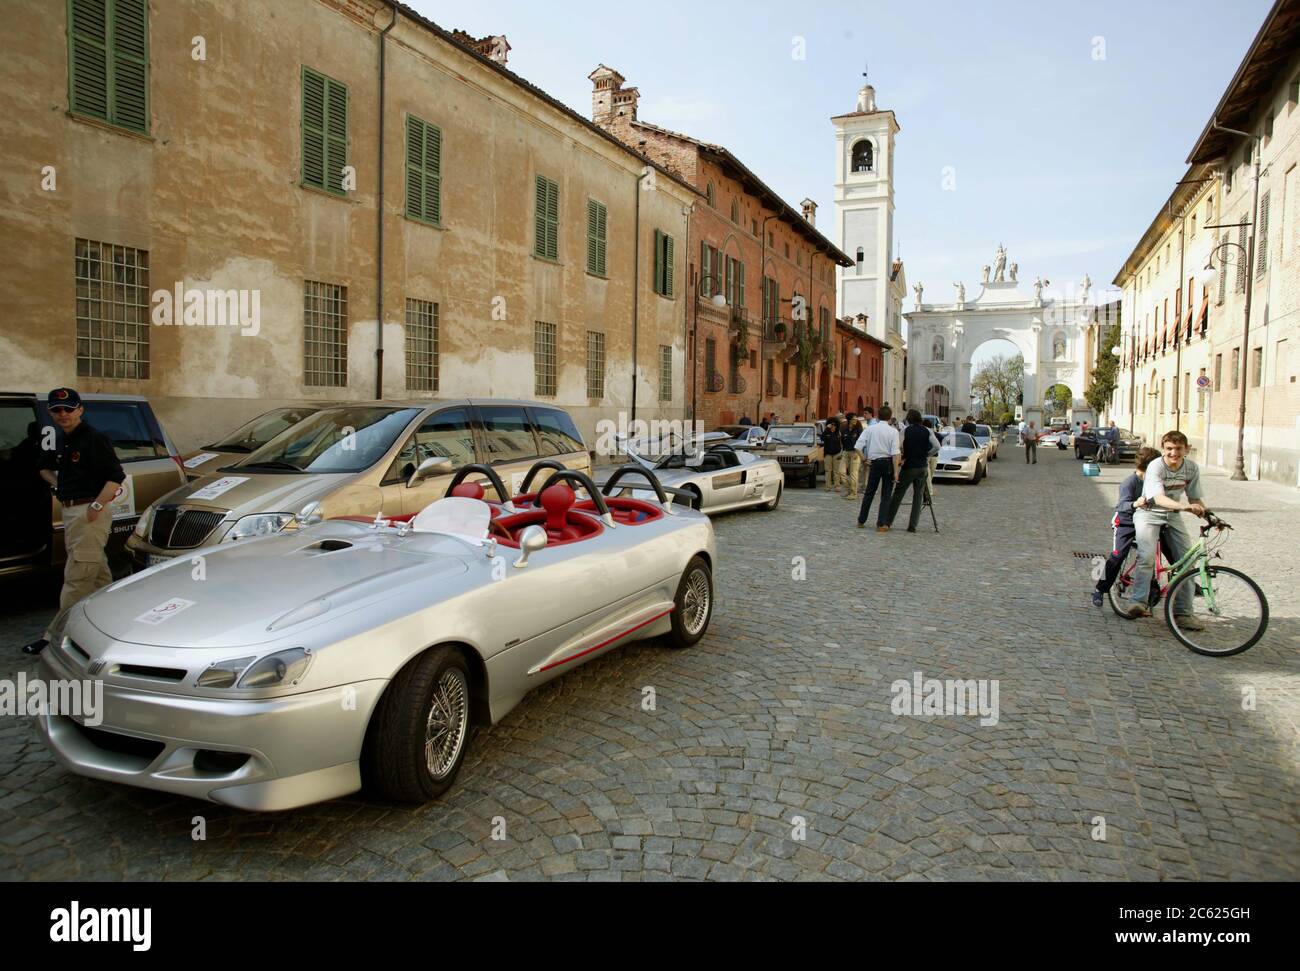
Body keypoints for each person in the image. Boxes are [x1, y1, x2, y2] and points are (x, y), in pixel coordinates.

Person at [23, 388, 125, 655]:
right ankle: (117, 626)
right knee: (97, 572)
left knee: (76, 578)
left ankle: (53, 638)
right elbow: (43, 467)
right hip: (72, 512)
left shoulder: (94, 438)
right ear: (50, 413)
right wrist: (60, 486)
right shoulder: (60, 439)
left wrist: (95, 506)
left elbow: (116, 476)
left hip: (88, 513)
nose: (63, 414)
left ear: (80, 409)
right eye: (57, 410)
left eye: (69, 408)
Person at [1118, 431, 1210, 629]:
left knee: (1187, 561)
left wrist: (1207, 512)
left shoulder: (1191, 468)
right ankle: (1138, 602)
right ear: (1163, 449)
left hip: (1172, 516)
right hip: (1148, 513)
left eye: (1178, 449)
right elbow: (1158, 498)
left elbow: (1194, 498)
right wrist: (1184, 507)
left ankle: (1183, 613)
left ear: (1186, 450)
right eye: (1169, 448)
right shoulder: (1156, 466)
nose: (1173, 453)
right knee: (1147, 556)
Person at [1092, 448, 1161, 607]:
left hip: (1145, 521)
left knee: (1167, 544)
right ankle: (1099, 589)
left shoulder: (1153, 482)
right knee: (1118, 555)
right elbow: (1121, 505)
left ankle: (1187, 582)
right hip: (1125, 522)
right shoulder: (1130, 483)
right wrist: (1135, 503)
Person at [884, 410, 932, 533]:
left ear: (909, 419)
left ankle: (888, 521)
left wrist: (900, 458)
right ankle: (913, 525)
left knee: (898, 494)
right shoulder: (927, 430)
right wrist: (926, 454)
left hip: (909, 466)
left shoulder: (906, 430)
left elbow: (898, 446)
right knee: (918, 496)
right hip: (922, 467)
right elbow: (937, 446)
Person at [855, 405, 900, 532]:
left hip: (874, 463)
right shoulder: (893, 432)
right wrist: (896, 472)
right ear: (890, 417)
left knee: (869, 492)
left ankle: (861, 520)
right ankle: (881, 523)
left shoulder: (870, 429)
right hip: (887, 463)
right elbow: (895, 453)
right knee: (886, 494)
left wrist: (864, 459)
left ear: (877, 416)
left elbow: (857, 446)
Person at [840, 414, 863, 499]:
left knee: (853, 473)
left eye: (856, 419)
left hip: (855, 452)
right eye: (854, 419)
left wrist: (858, 453)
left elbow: (861, 442)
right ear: (849, 420)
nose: (856, 420)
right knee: (841, 472)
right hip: (846, 452)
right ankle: (848, 489)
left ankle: (853, 493)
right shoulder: (844, 429)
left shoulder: (859, 429)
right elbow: (842, 441)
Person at [820, 416, 843, 493]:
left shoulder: (839, 433)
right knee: (828, 470)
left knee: (836, 471)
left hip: (837, 453)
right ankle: (828, 486)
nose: (833, 426)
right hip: (828, 454)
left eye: (834, 424)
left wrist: (841, 453)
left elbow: (842, 442)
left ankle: (837, 486)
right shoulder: (826, 432)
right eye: (831, 424)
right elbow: (822, 438)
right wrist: (827, 429)